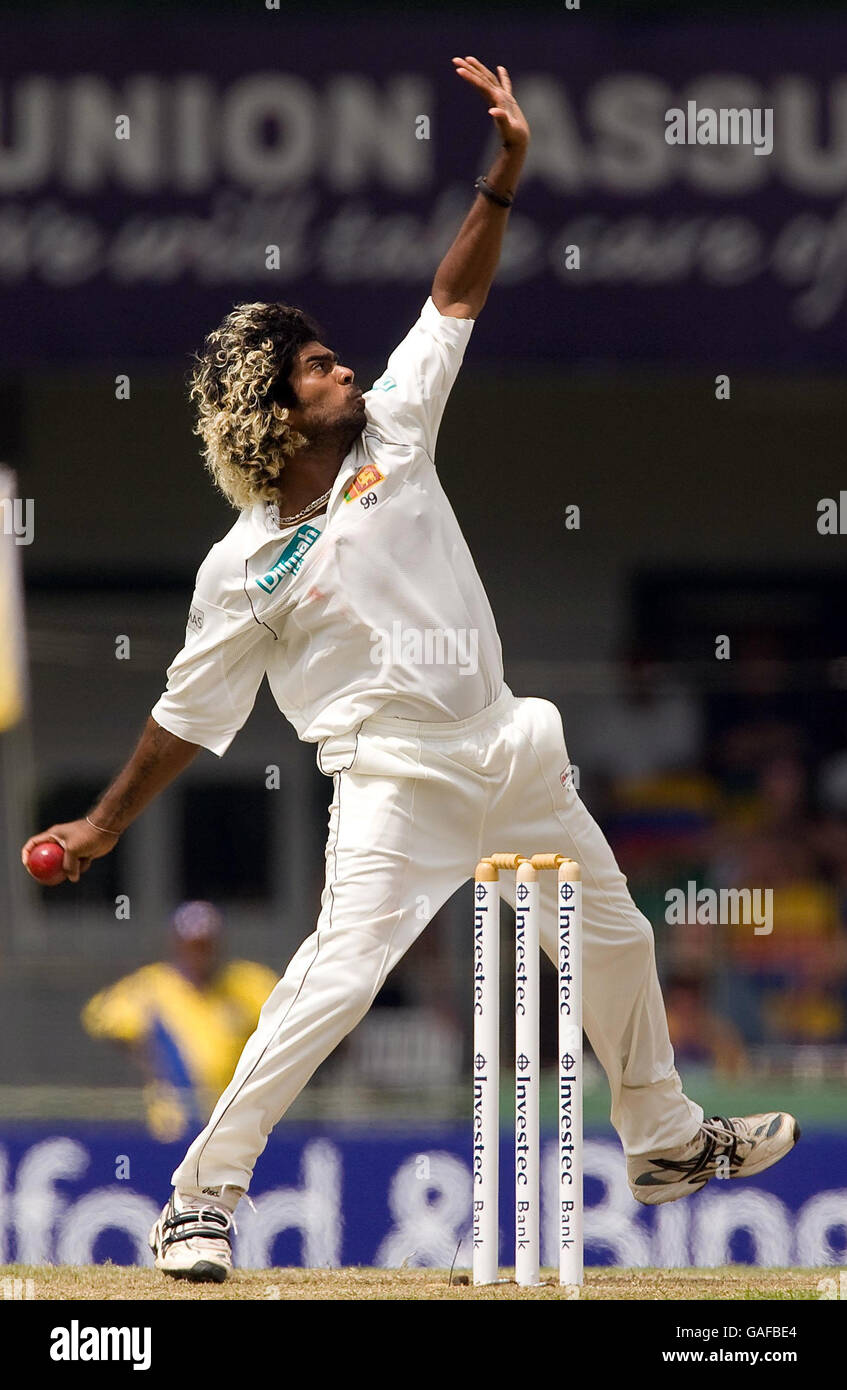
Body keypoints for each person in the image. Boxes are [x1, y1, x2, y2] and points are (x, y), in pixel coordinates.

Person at [22, 55, 798, 1283]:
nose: (346, 371)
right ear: (277, 417)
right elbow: (185, 715)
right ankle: (198, 1202)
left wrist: (502, 173)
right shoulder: (246, 565)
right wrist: (109, 824)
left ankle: (660, 1140)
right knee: (331, 987)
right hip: (393, 782)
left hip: (510, 749)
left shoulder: (395, 428)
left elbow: (450, 302)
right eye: (320, 366)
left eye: (338, 358)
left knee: (620, 942)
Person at [81, 901, 278, 1141]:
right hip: (173, 1126)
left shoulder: (246, 983)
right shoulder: (152, 986)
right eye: (192, 947)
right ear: (177, 945)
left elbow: (291, 1019)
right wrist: (149, 1050)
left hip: (237, 1124)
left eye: (205, 947)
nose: (199, 956)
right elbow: (102, 1017)